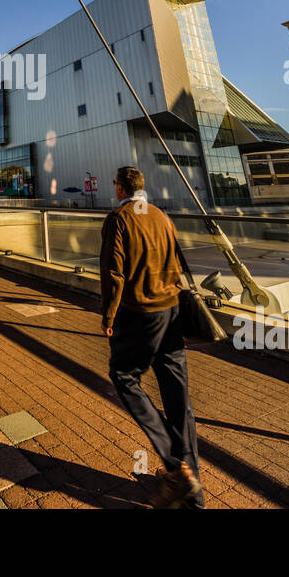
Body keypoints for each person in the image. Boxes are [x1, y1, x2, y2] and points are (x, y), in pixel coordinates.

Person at [100, 165, 204, 509]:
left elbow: (114, 274)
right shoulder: (161, 216)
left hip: (141, 314)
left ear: (119, 189)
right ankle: (194, 494)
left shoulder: (119, 218)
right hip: (172, 311)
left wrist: (109, 316)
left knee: (124, 377)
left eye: (115, 184)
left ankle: (175, 467)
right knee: (178, 399)